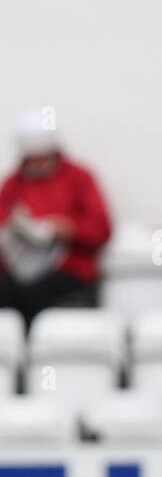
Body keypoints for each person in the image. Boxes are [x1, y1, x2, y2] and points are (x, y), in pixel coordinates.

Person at [0, 110, 112, 326]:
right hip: (17, 270)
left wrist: (69, 229)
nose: (37, 165)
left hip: (68, 270)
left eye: (43, 159)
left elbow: (101, 228)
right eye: (31, 160)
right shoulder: (13, 184)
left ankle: (37, 353)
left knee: (34, 294)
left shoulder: (80, 178)